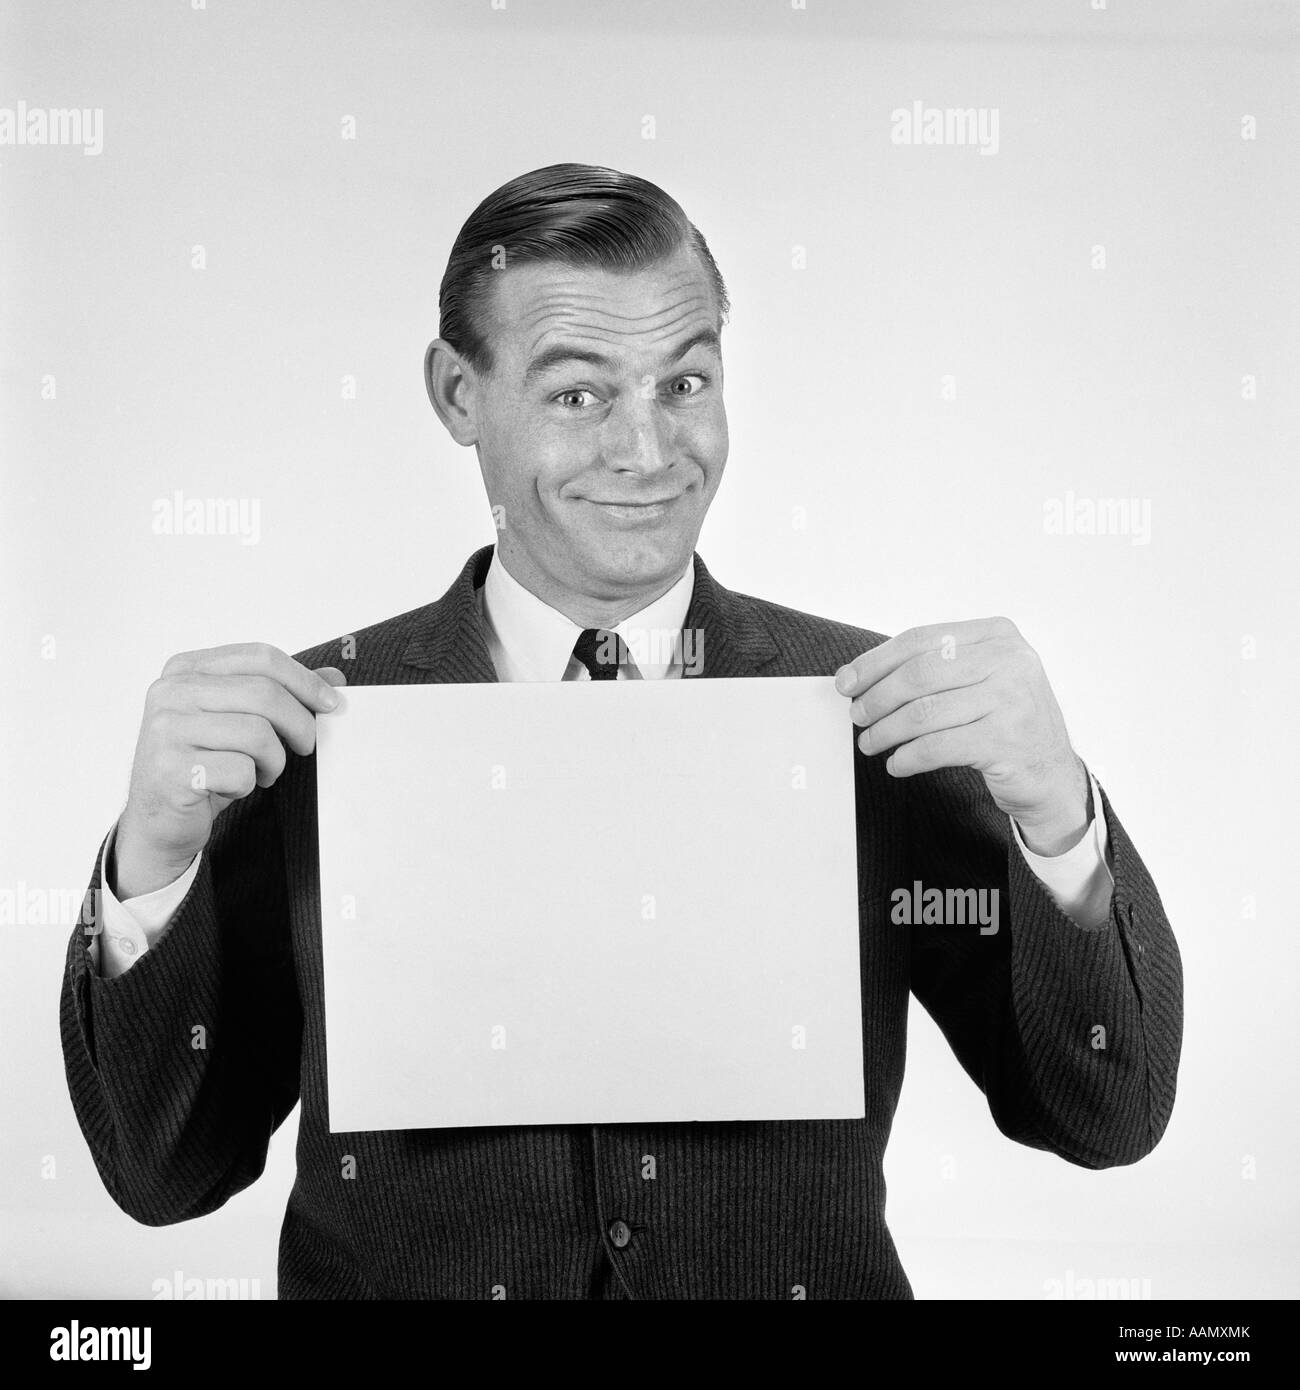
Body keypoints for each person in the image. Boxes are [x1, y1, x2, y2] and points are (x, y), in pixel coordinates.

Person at [60, 163, 1182, 1300]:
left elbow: (1105, 1112)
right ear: (457, 393)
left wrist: (1055, 812)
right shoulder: (316, 723)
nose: (648, 452)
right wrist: (150, 860)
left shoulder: (865, 708)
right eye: (578, 395)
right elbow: (164, 1173)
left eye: (684, 382)